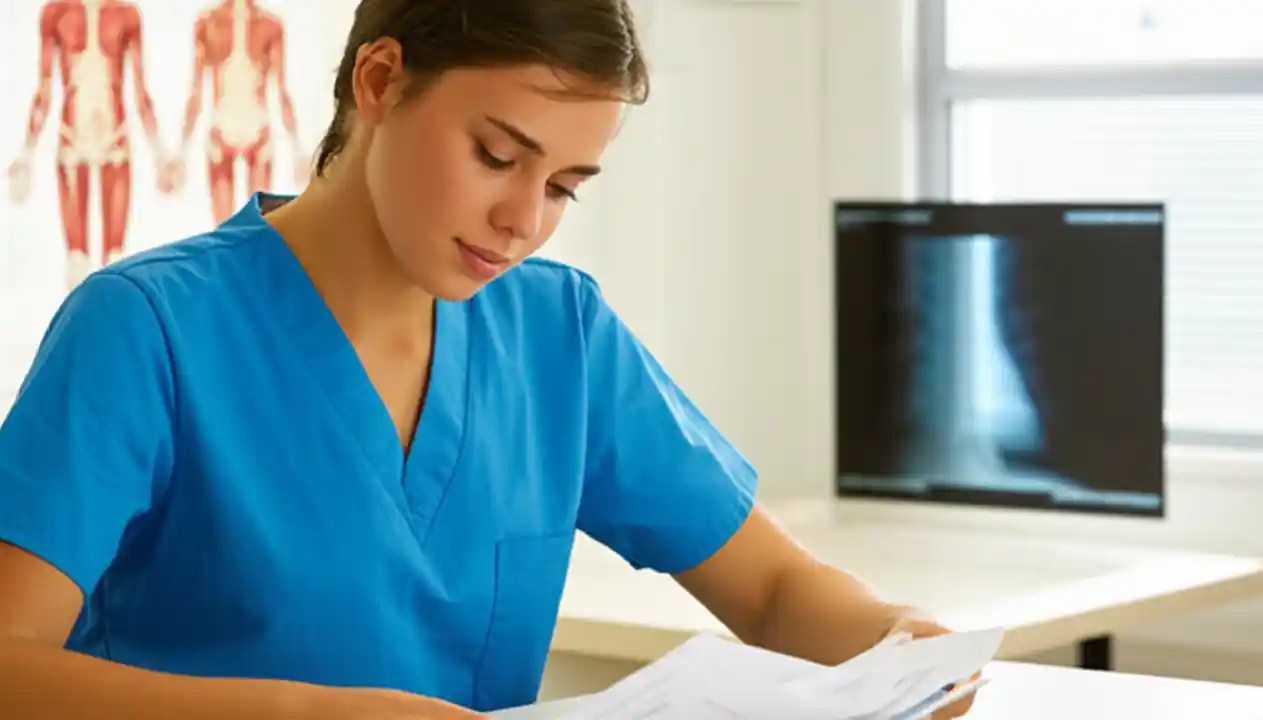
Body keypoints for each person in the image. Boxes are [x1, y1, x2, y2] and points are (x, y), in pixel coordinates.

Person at [0, 1, 980, 718]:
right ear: (378, 83)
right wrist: (310, 716)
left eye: (564, 185)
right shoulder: (145, 330)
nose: (524, 222)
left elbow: (768, 590)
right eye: (497, 156)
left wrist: (901, 650)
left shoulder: (558, 335)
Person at [8, 0, 172, 291]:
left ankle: (117, 330)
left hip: (115, 141)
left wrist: (160, 153)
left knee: (117, 257)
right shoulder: (56, 12)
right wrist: (26, 153)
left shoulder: (126, 14)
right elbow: (44, 89)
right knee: (77, 259)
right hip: (73, 143)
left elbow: (139, 89)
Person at [171, 0, 313, 223]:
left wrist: (298, 151)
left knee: (253, 228)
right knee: (231, 229)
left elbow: (281, 91)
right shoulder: (208, 23)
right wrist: (181, 152)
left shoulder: (268, 25)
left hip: (253, 131)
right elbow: (197, 91)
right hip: (230, 130)